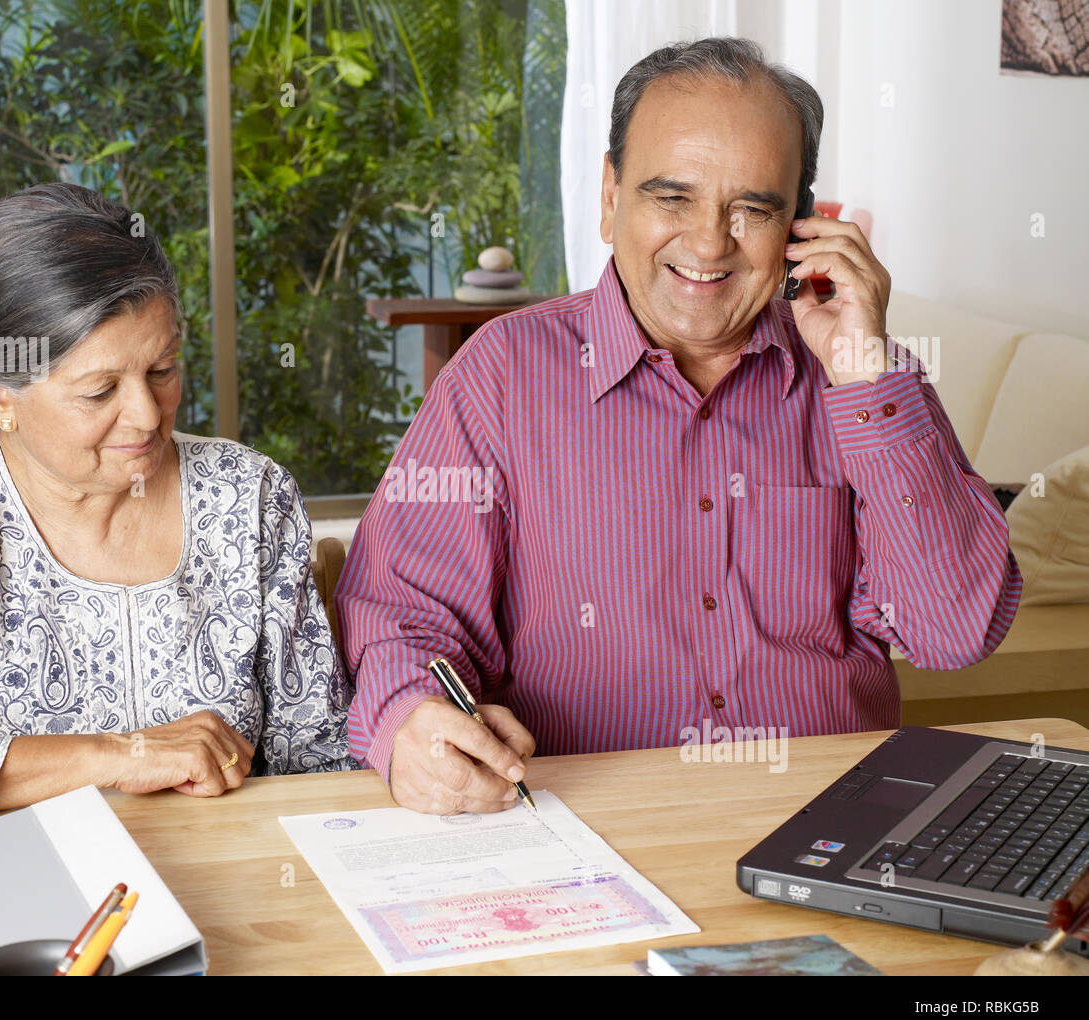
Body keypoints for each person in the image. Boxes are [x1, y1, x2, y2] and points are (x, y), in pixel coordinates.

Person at [335, 37, 1022, 815]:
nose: (707, 244)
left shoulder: (864, 382)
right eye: (673, 198)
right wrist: (408, 725)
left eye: (753, 209)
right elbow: (402, 615)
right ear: (608, 196)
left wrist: (865, 374)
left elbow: (955, 631)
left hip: (829, 824)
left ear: (801, 226)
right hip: (579, 832)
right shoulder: (498, 375)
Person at [0, 182, 356, 840]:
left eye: (164, 368)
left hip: (246, 894)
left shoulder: (250, 497)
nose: (147, 415)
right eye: (99, 390)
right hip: (25, 908)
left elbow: (320, 768)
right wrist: (113, 755)